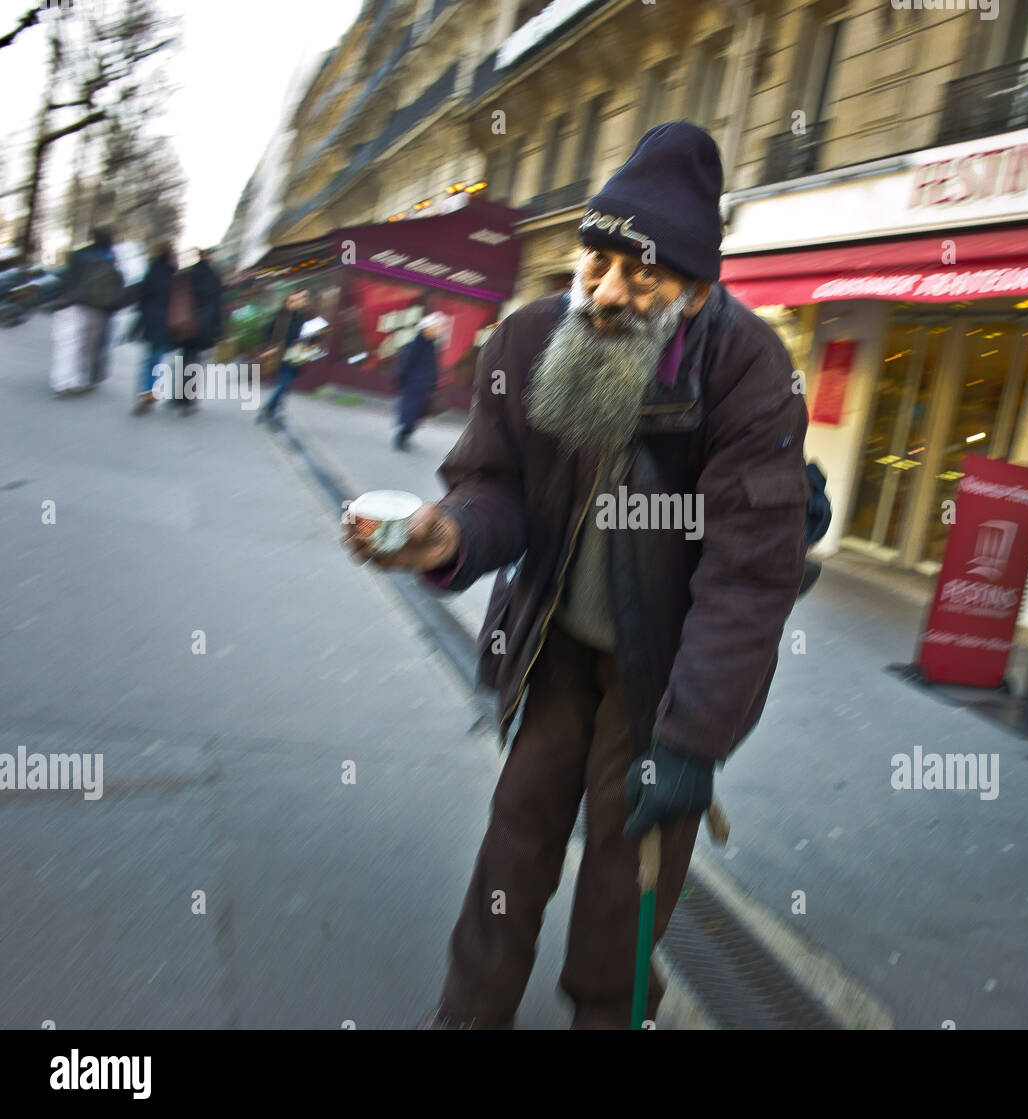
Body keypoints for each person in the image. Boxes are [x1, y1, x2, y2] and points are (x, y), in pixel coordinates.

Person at [342, 122, 811, 1029]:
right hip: (557, 644)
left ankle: (608, 1014)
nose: (606, 295)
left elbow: (749, 573)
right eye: (595, 265)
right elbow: (493, 484)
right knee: (512, 846)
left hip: (665, 673)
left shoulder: (747, 368)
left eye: (643, 279)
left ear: (697, 290)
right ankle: (467, 1014)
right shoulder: (525, 339)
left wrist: (693, 739)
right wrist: (446, 536)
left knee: (622, 885)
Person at [49, 227, 124, 397]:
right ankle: (79, 381)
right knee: (86, 346)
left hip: (70, 303)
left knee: (65, 346)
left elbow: (65, 277)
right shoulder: (108, 259)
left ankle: (60, 383)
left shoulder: (79, 256)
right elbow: (118, 282)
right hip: (95, 307)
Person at [172, 247, 225, 413]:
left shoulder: (188, 274)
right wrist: (218, 329)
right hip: (204, 326)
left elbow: (177, 297)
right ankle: (188, 399)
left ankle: (178, 397)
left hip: (185, 323)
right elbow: (217, 305)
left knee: (183, 359)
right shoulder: (214, 277)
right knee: (194, 363)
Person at [132, 240, 178, 415]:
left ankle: (147, 391)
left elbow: (143, 298)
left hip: (152, 321)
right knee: (158, 359)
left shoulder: (152, 272)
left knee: (151, 359)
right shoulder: (173, 276)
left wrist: (139, 323)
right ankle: (151, 390)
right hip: (168, 322)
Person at [256, 288, 312, 427]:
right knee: (284, 383)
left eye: (304, 299)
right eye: (301, 299)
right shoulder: (281, 315)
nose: (304, 302)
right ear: (291, 300)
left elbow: (299, 335)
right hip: (280, 354)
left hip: (292, 355)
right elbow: (267, 331)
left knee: (285, 385)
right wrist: (267, 348)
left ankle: (274, 410)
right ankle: (269, 408)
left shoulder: (299, 316)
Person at [393, 311, 447, 451]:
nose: (437, 331)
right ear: (426, 329)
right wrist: (402, 379)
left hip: (423, 387)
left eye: (437, 328)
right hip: (414, 386)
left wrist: (433, 384)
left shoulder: (430, 345)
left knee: (417, 416)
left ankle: (404, 438)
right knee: (411, 414)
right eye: (434, 328)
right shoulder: (417, 344)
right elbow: (407, 363)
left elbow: (431, 367)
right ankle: (401, 440)